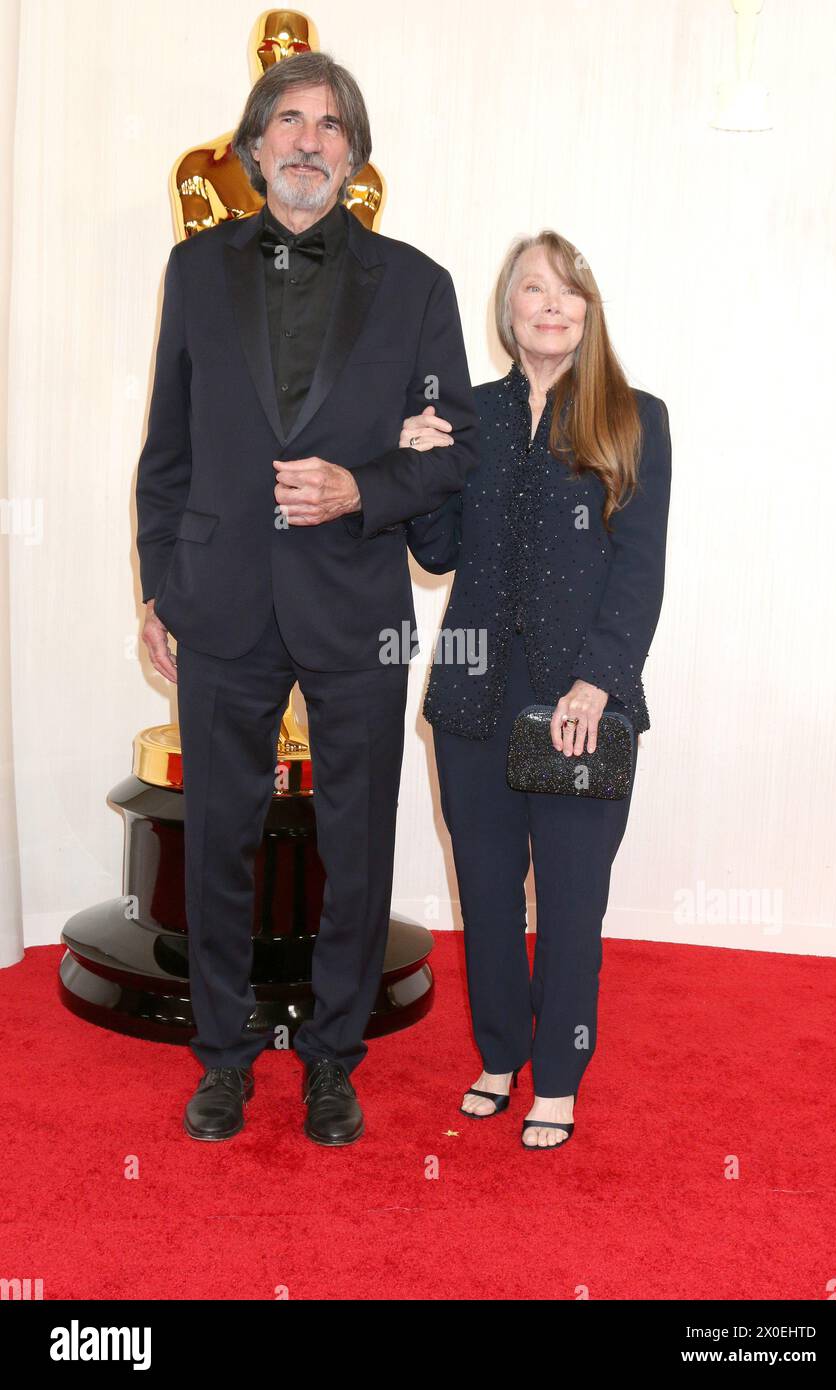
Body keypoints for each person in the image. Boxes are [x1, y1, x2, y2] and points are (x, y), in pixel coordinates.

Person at [135, 51, 477, 1146]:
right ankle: (225, 1057)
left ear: (354, 156)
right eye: (288, 119)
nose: (307, 140)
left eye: (330, 125)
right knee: (220, 839)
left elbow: (448, 454)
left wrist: (361, 487)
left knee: (354, 841)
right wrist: (158, 586)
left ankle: (333, 1056)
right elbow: (167, 449)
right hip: (222, 600)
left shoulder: (418, 286)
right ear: (252, 148)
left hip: (357, 604)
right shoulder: (194, 271)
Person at [404, 230, 672, 1149]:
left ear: (589, 311)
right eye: (531, 291)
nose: (550, 305)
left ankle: (557, 1074)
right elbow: (435, 553)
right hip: (471, 697)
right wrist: (421, 462)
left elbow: (639, 572)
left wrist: (599, 681)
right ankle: (498, 1054)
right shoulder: (472, 417)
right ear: (507, 312)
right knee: (484, 888)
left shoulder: (635, 419)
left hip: (577, 704)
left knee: (567, 897)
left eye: (567, 291)